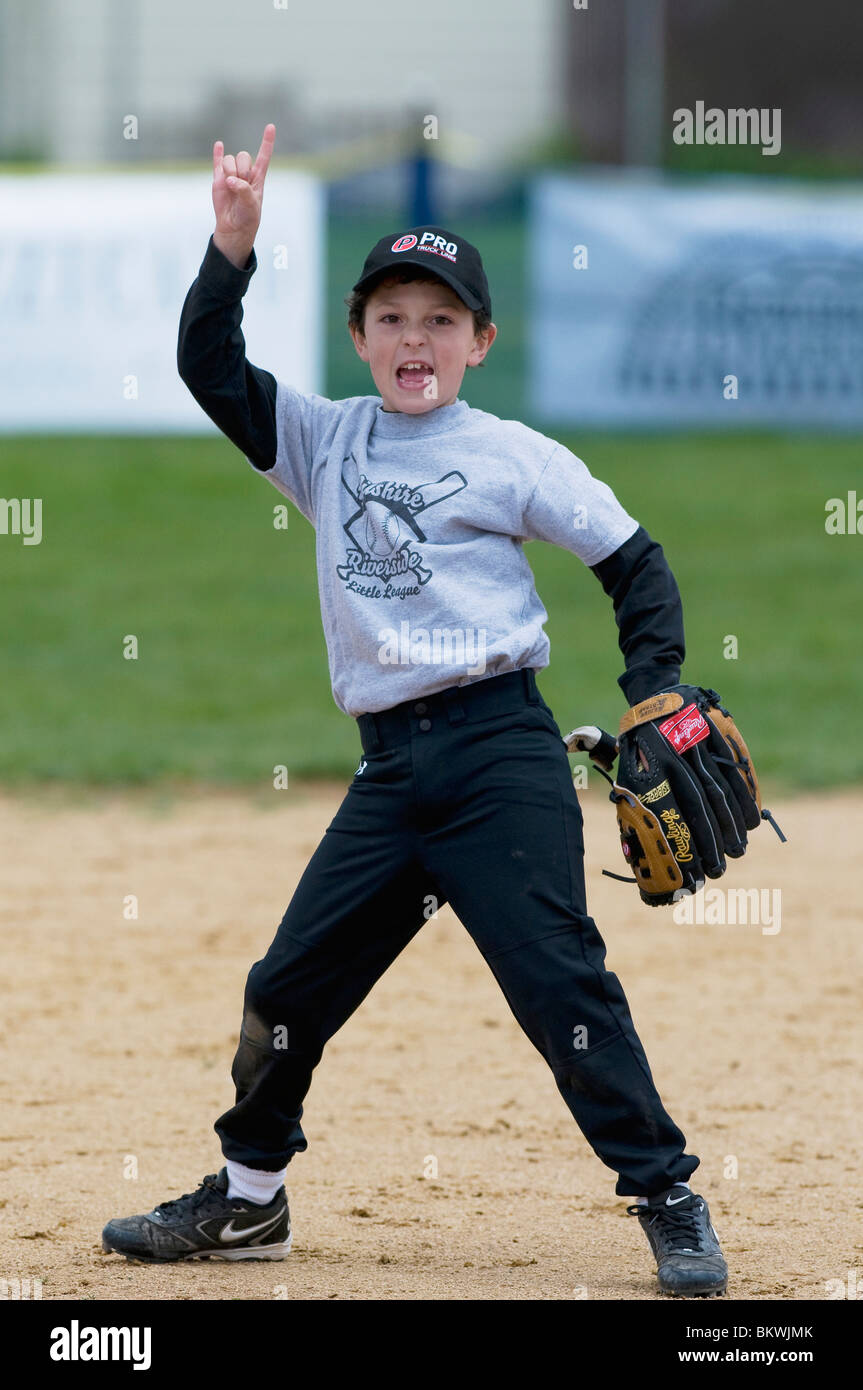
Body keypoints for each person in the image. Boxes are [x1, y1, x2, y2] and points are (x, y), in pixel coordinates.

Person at [102, 124, 728, 1298]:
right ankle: (248, 1200)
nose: (413, 339)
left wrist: (652, 686)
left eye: (440, 319)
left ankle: (667, 1196)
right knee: (287, 991)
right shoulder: (323, 438)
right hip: (391, 772)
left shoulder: (509, 455)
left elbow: (634, 564)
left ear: (479, 342)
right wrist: (230, 249)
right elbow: (208, 367)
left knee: (560, 990)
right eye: (390, 316)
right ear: (357, 336)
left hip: (500, 754)